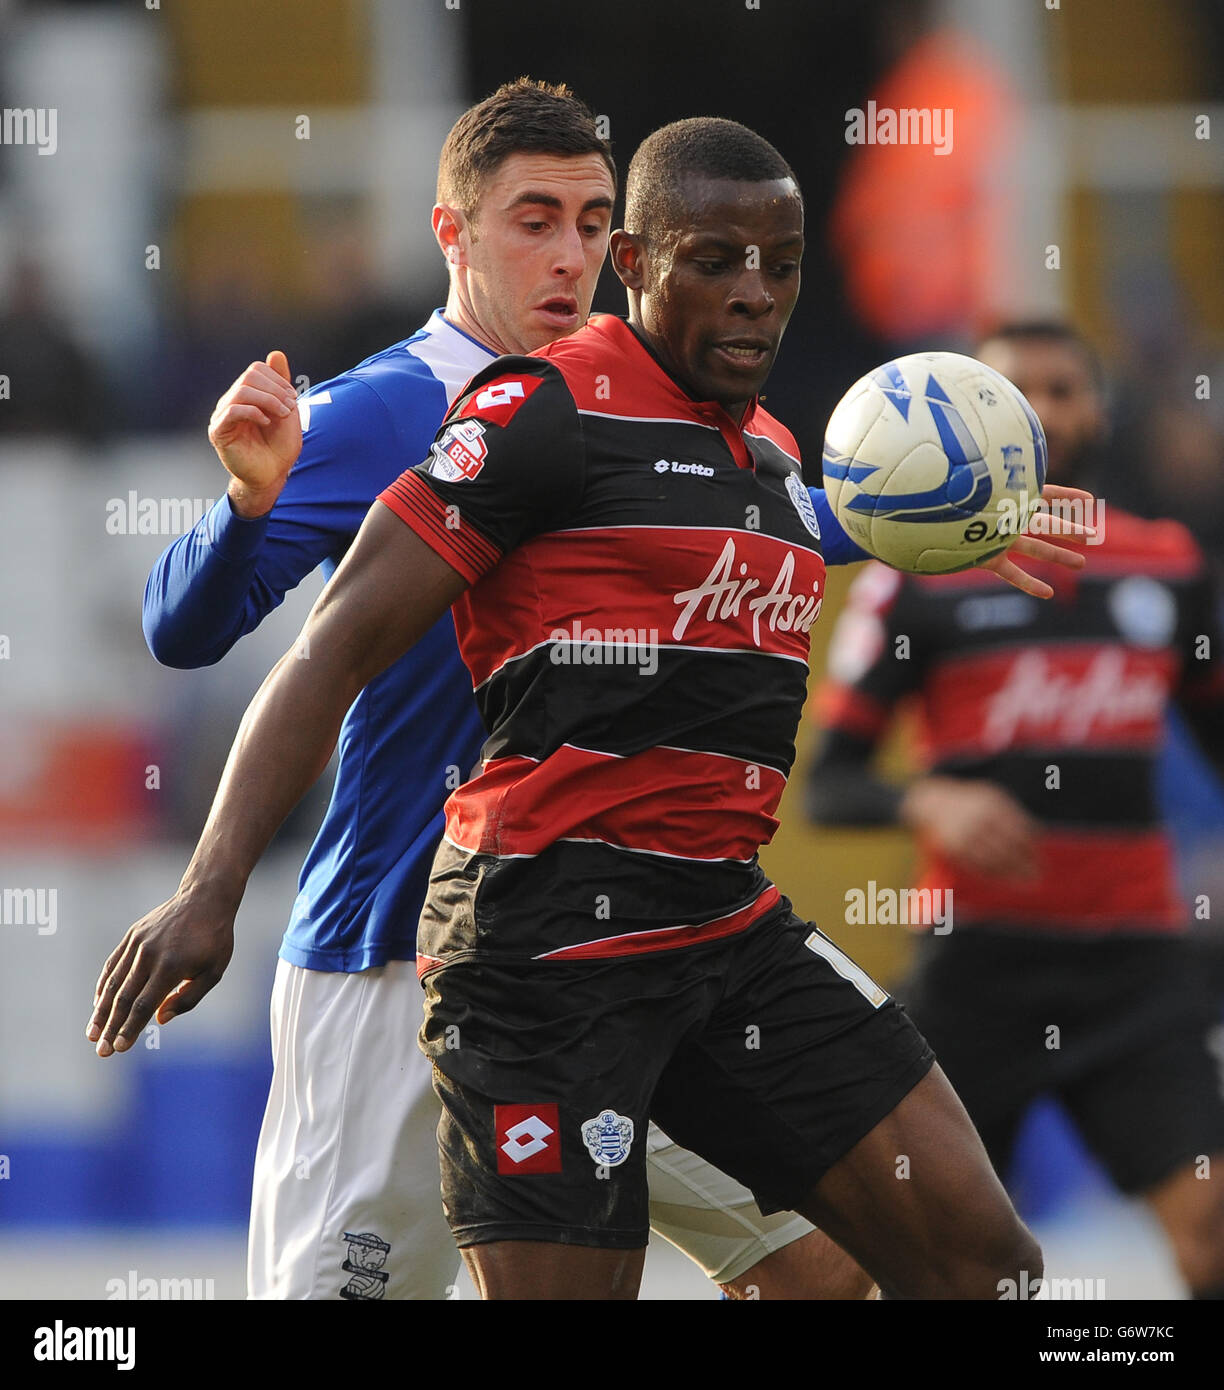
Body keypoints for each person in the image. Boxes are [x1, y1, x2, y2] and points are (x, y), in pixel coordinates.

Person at [89, 117, 1086, 1300]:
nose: (567, 253)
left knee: (822, 1269)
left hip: (680, 940)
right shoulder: (409, 413)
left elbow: (735, 523)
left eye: (591, 220)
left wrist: (926, 524)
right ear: (453, 235)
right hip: (420, 950)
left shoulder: (719, 430)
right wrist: (248, 511)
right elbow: (218, 635)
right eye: (535, 222)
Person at [806, 320, 1224, 1299]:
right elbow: (831, 780)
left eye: (1063, 387)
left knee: (1210, 1233)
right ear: (976, 419)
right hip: (976, 970)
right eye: (1014, 390)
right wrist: (930, 798)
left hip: (1136, 967)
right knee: (900, 1261)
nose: (1041, 408)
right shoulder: (912, 571)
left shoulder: (1166, 563)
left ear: (1099, 410)